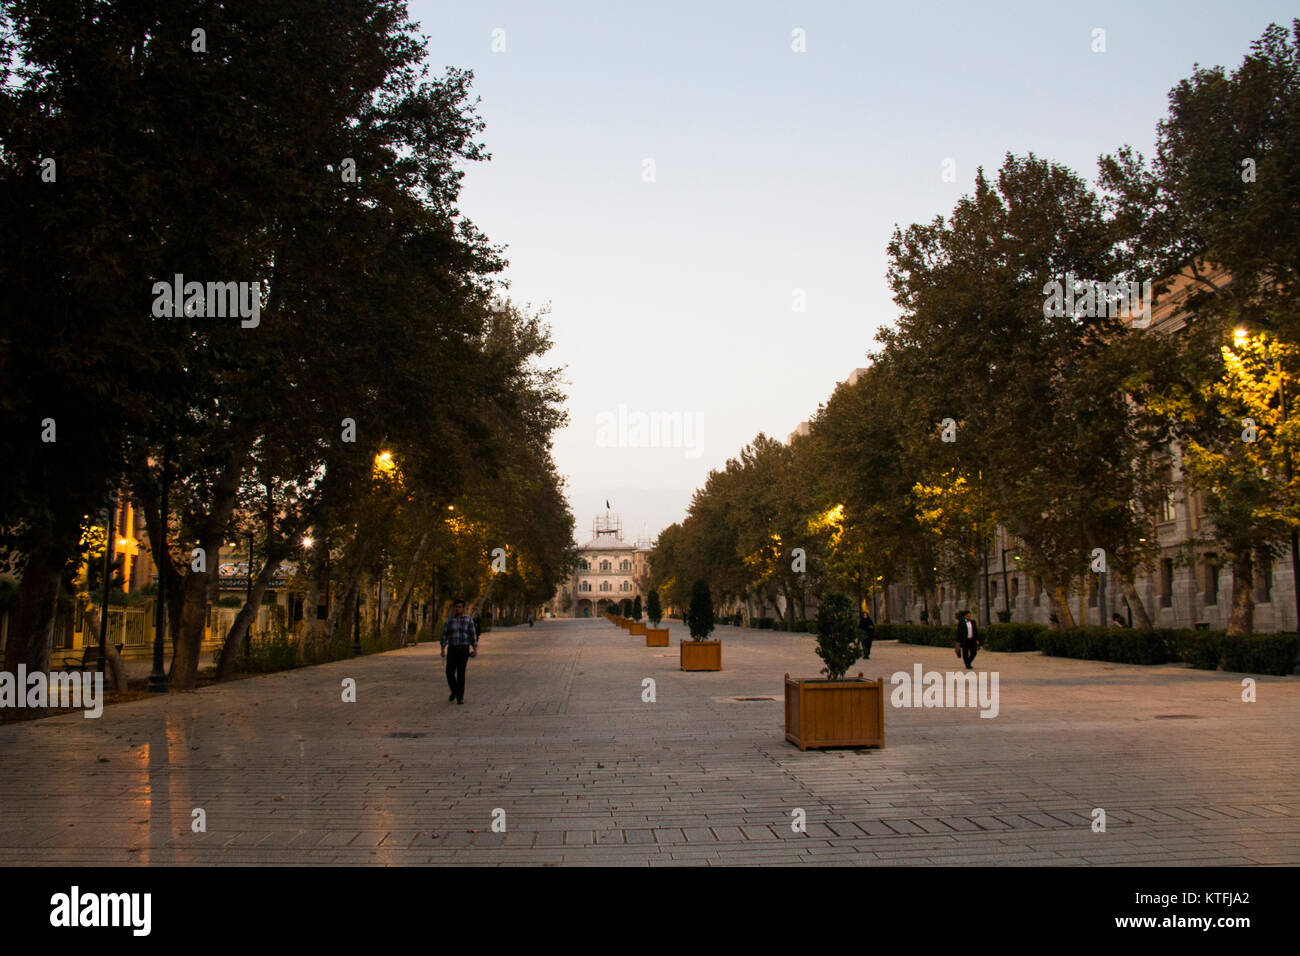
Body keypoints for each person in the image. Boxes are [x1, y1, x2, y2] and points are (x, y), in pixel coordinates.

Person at [441, 599, 478, 705]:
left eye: (460, 607)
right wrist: (443, 649)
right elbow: (444, 635)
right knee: (449, 672)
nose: (458, 609)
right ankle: (454, 690)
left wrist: (475, 649)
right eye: (456, 607)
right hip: (452, 649)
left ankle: (460, 697)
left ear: (463, 608)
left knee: (461, 673)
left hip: (463, 649)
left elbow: (472, 635)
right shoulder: (449, 621)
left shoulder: (468, 620)